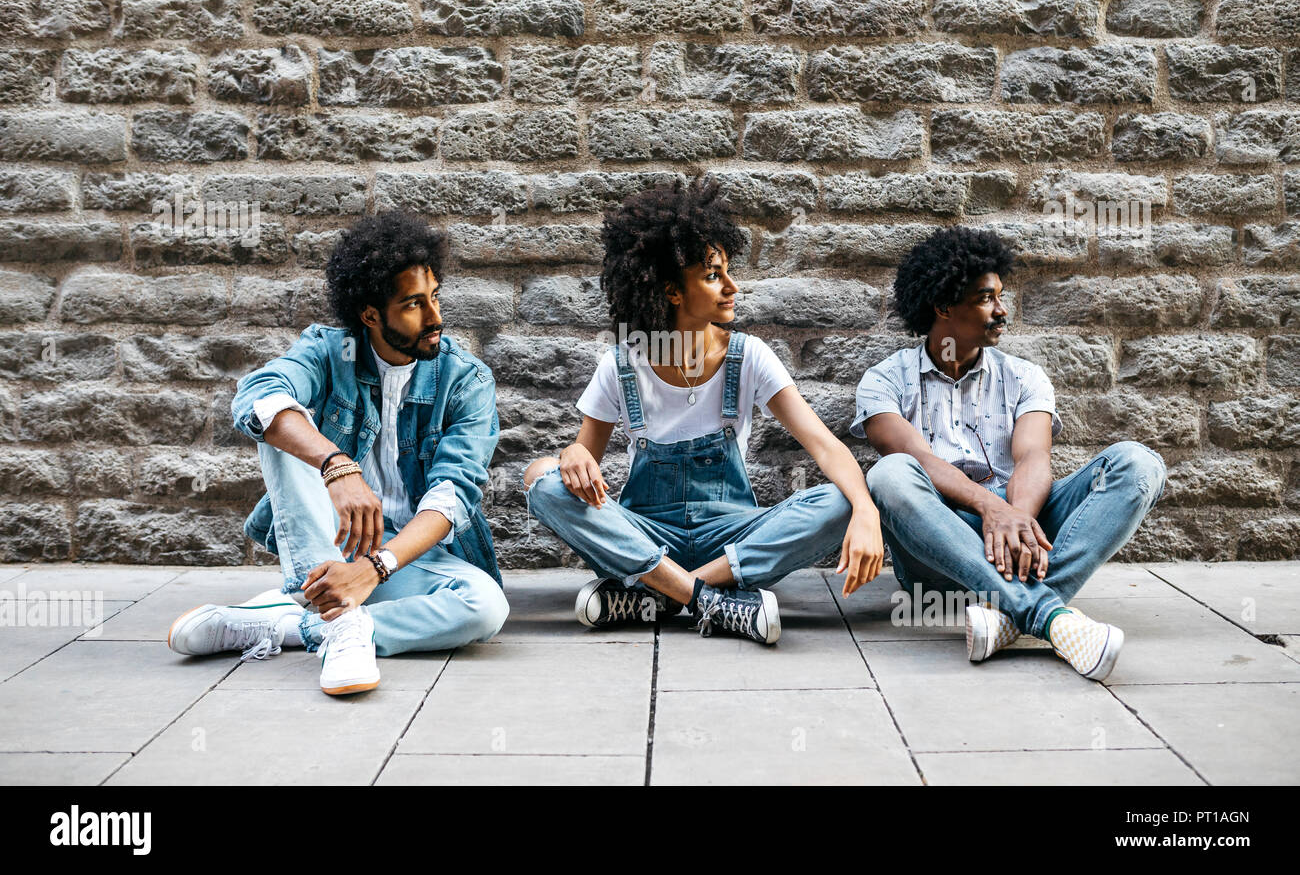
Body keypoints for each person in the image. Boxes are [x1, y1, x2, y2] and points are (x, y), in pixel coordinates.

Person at [523, 176, 885, 645]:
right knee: (542, 480)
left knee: (840, 498)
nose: (732, 287)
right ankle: (710, 601)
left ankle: (662, 594)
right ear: (673, 291)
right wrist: (571, 455)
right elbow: (578, 467)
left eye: (727, 271)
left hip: (731, 540)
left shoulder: (749, 356)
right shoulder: (623, 365)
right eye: (714, 275)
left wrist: (866, 512)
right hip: (647, 536)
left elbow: (825, 446)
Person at [167, 210, 508, 695]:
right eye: (413, 304)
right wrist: (337, 465)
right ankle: (342, 623)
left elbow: (453, 494)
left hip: (406, 555)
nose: (434, 317)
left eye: (434, 297)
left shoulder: (465, 379)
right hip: (332, 540)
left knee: (486, 605)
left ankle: (296, 625)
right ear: (370, 314)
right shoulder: (329, 352)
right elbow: (256, 396)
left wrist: (375, 569)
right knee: (283, 418)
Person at [854, 226, 1167, 680]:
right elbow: (922, 461)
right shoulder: (884, 381)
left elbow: (1033, 458)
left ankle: (1008, 614)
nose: (1002, 311)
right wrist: (989, 508)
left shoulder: (1023, 377)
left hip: (1023, 528)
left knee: (1139, 463)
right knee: (890, 473)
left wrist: (1016, 517)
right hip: (940, 548)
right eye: (986, 299)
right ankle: (1049, 616)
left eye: (1001, 296)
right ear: (943, 307)